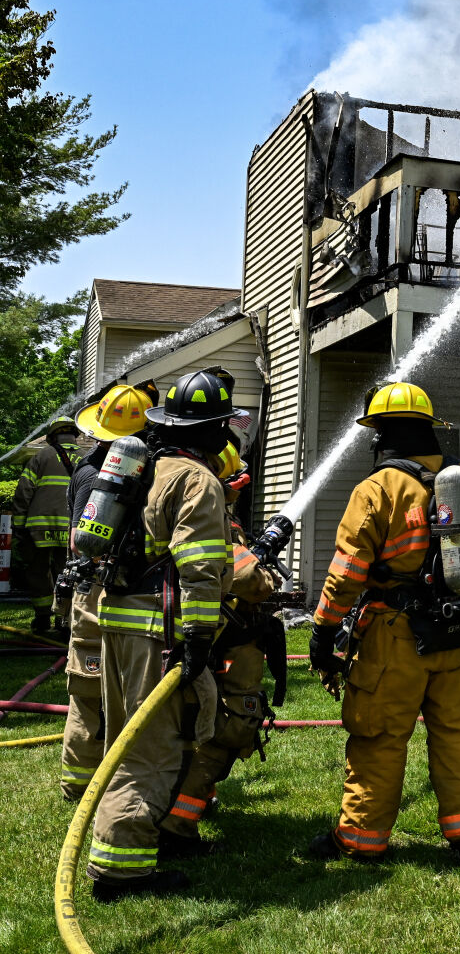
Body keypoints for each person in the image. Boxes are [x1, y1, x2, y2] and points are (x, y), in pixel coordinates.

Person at [304, 381, 460, 865]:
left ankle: (360, 840)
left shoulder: (377, 490)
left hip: (394, 636)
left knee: (379, 737)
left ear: (380, 435)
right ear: (430, 432)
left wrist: (322, 631)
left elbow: (348, 571)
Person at [88, 369, 246, 902]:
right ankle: (121, 872)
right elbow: (201, 567)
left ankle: (122, 849)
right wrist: (199, 637)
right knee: (151, 748)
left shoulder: (148, 468)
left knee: (124, 738)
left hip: (116, 620)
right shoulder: (197, 480)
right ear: (212, 428)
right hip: (159, 632)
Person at [158, 441, 286, 853]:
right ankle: (177, 825)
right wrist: (265, 572)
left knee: (191, 725)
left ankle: (185, 804)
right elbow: (248, 578)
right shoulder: (211, 513)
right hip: (227, 647)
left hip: (196, 640)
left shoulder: (189, 502)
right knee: (228, 729)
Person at [59, 382, 158, 800]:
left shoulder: (95, 469)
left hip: (96, 588)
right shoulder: (118, 473)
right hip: (108, 589)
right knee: (102, 690)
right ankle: (90, 782)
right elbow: (82, 540)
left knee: (94, 687)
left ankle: (86, 780)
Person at [11, 418, 78, 632]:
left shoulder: (42, 456)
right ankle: (63, 618)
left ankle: (42, 618)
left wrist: (19, 527)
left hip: (39, 528)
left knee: (37, 571)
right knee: (66, 573)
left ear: (51, 436)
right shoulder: (87, 458)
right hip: (71, 530)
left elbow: (23, 493)